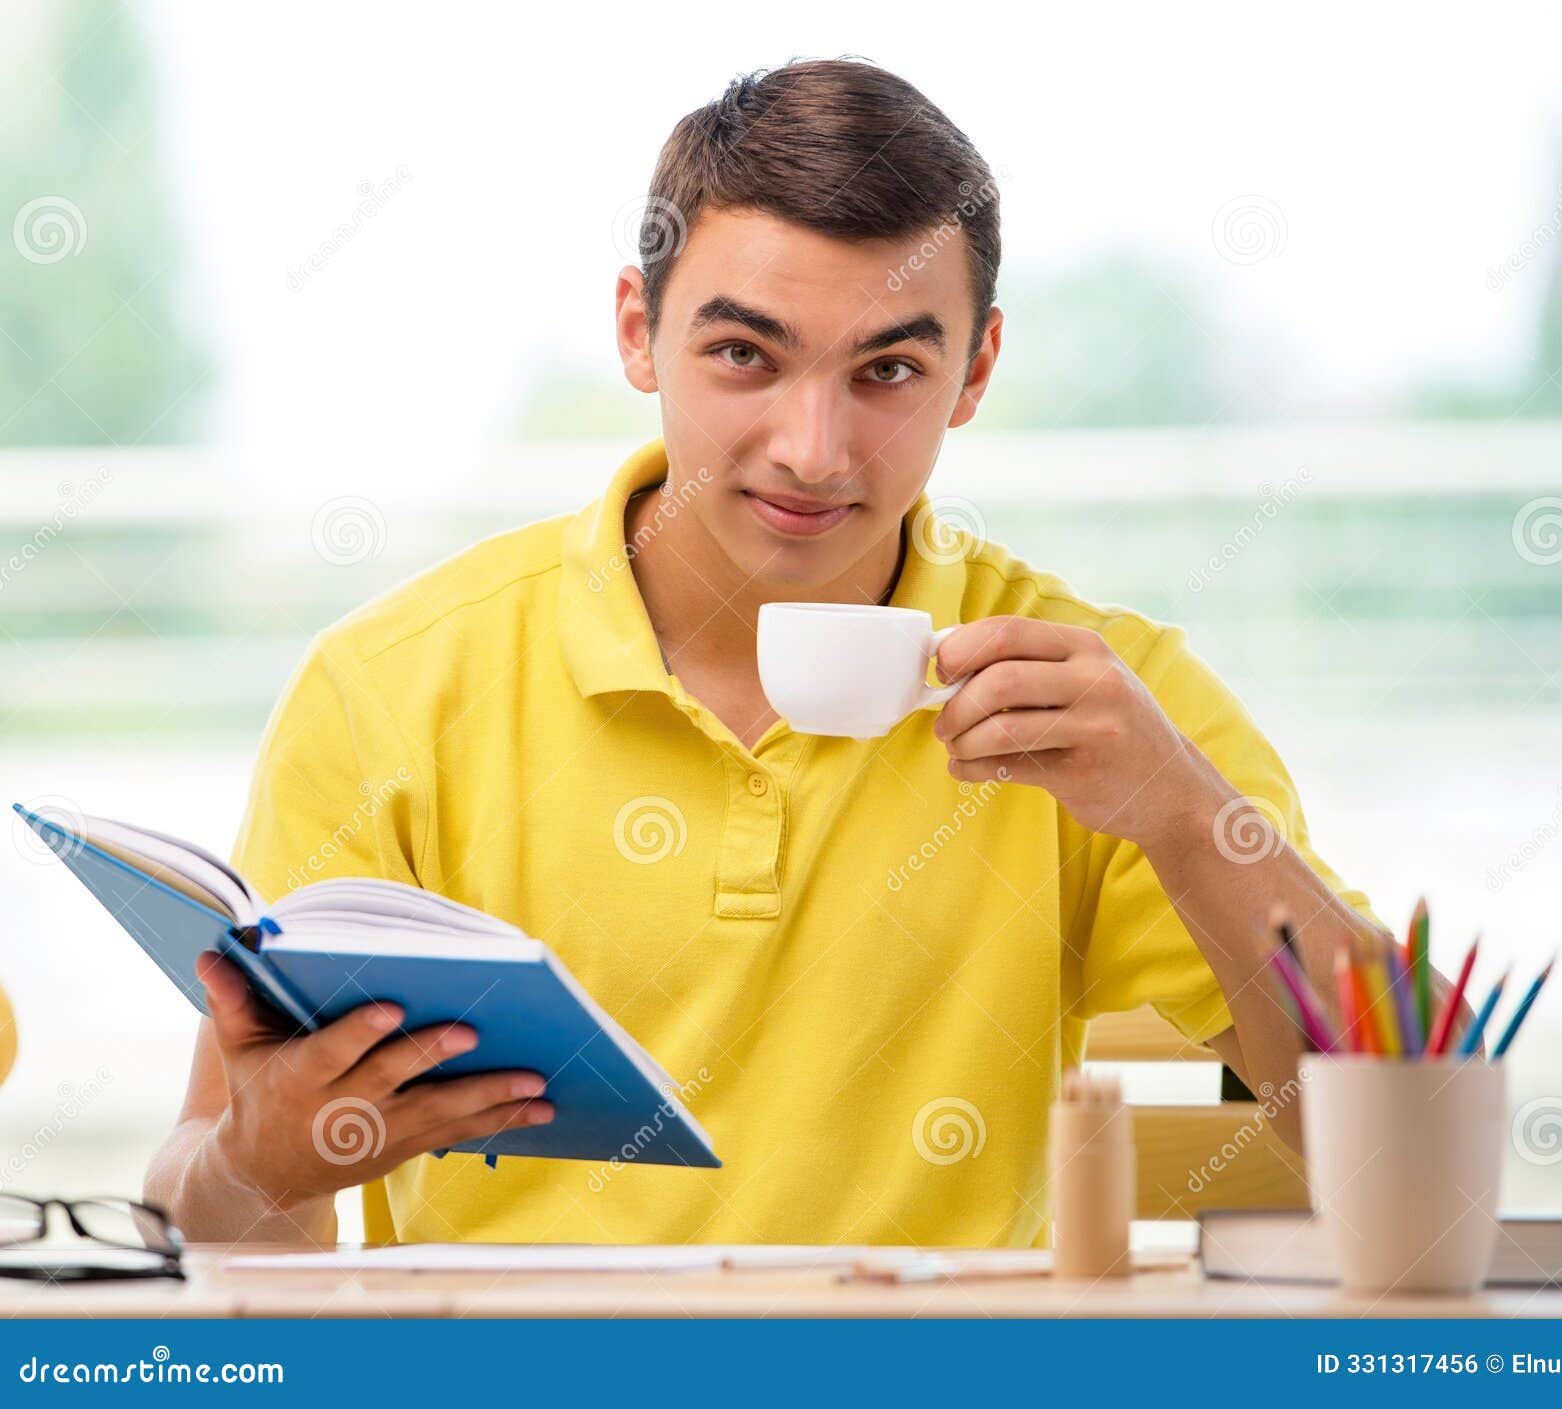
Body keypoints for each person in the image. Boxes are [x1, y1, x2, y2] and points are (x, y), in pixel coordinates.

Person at [147, 57, 1439, 1248]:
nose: (813, 449)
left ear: (977, 367)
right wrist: (260, 1166)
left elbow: (1414, 1156)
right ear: (636, 332)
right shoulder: (389, 693)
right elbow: (213, 1221)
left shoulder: (1102, 702)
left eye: (885, 371)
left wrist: (1181, 811)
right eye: (744, 356)